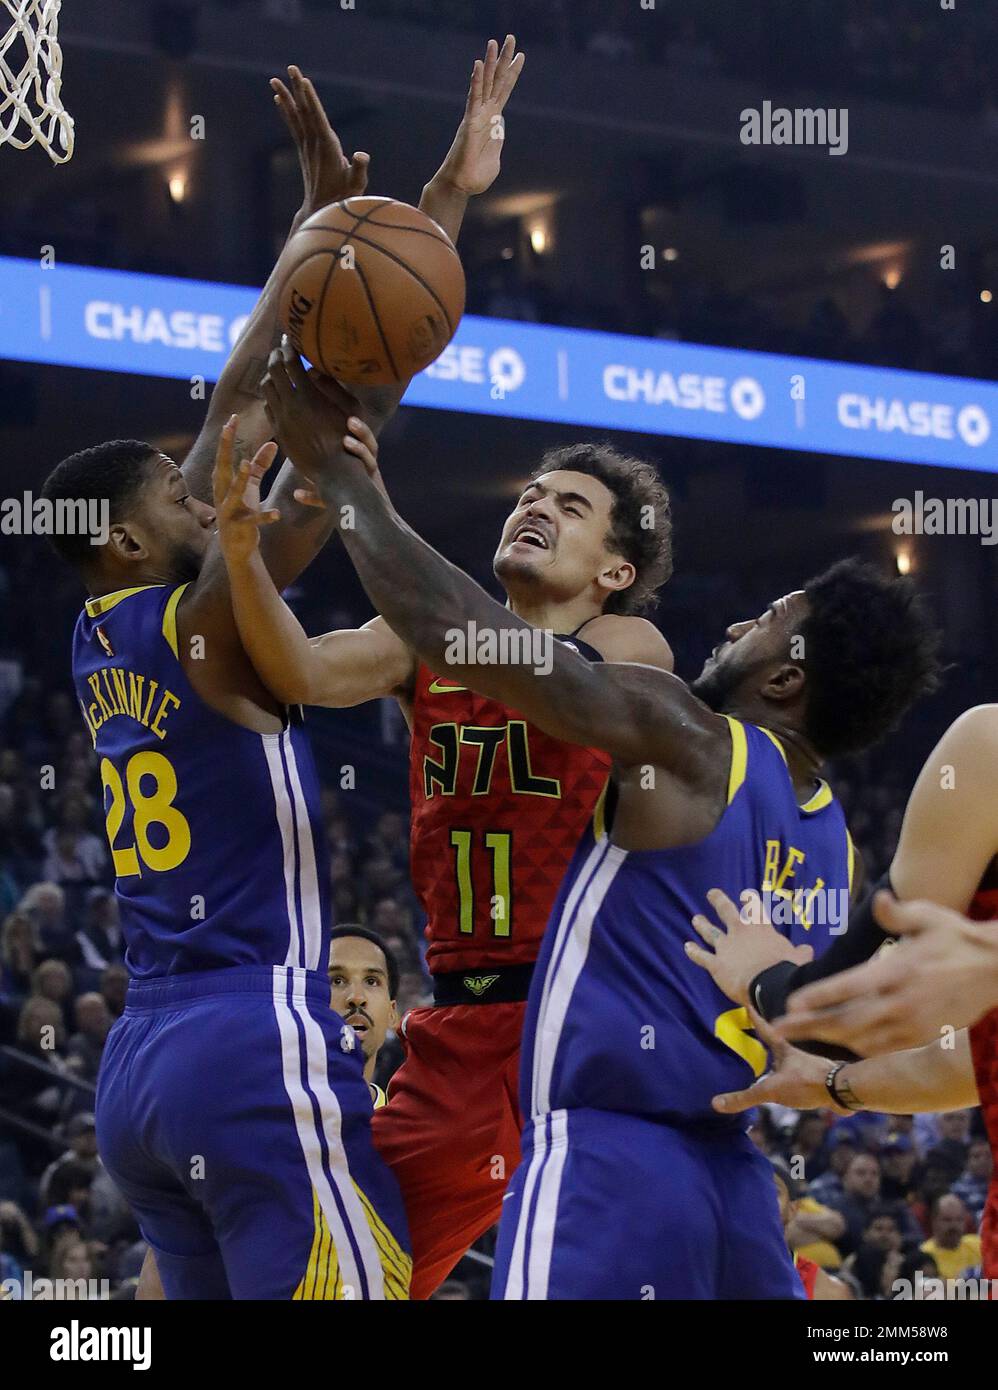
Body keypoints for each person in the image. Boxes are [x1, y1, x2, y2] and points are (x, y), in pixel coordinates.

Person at [243, 408, 940, 1297]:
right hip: (692, 1140)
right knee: (337, 1265)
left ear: (787, 675)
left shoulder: (663, 706)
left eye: (763, 620)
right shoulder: (829, 838)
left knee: (327, 1277)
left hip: (588, 1103)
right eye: (532, 494)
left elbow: (475, 638)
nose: (731, 626)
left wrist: (349, 493)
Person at [37, 63, 431, 1302]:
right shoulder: (207, 617)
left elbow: (247, 406)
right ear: (127, 538)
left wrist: (312, 237)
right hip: (248, 1038)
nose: (204, 480)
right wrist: (345, 277)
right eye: (176, 488)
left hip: (141, 1068)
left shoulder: (114, 627)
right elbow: (296, 454)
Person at [685, 705, 998, 1275]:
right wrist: (834, 1085)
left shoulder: (988, 744)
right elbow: (976, 1064)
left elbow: (872, 1007)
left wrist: (766, 978)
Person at [327, 925, 401, 1110]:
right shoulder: (268, 1119)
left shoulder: (410, 1132)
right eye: (337, 980)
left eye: (371, 981)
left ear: (392, 1013)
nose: (356, 998)